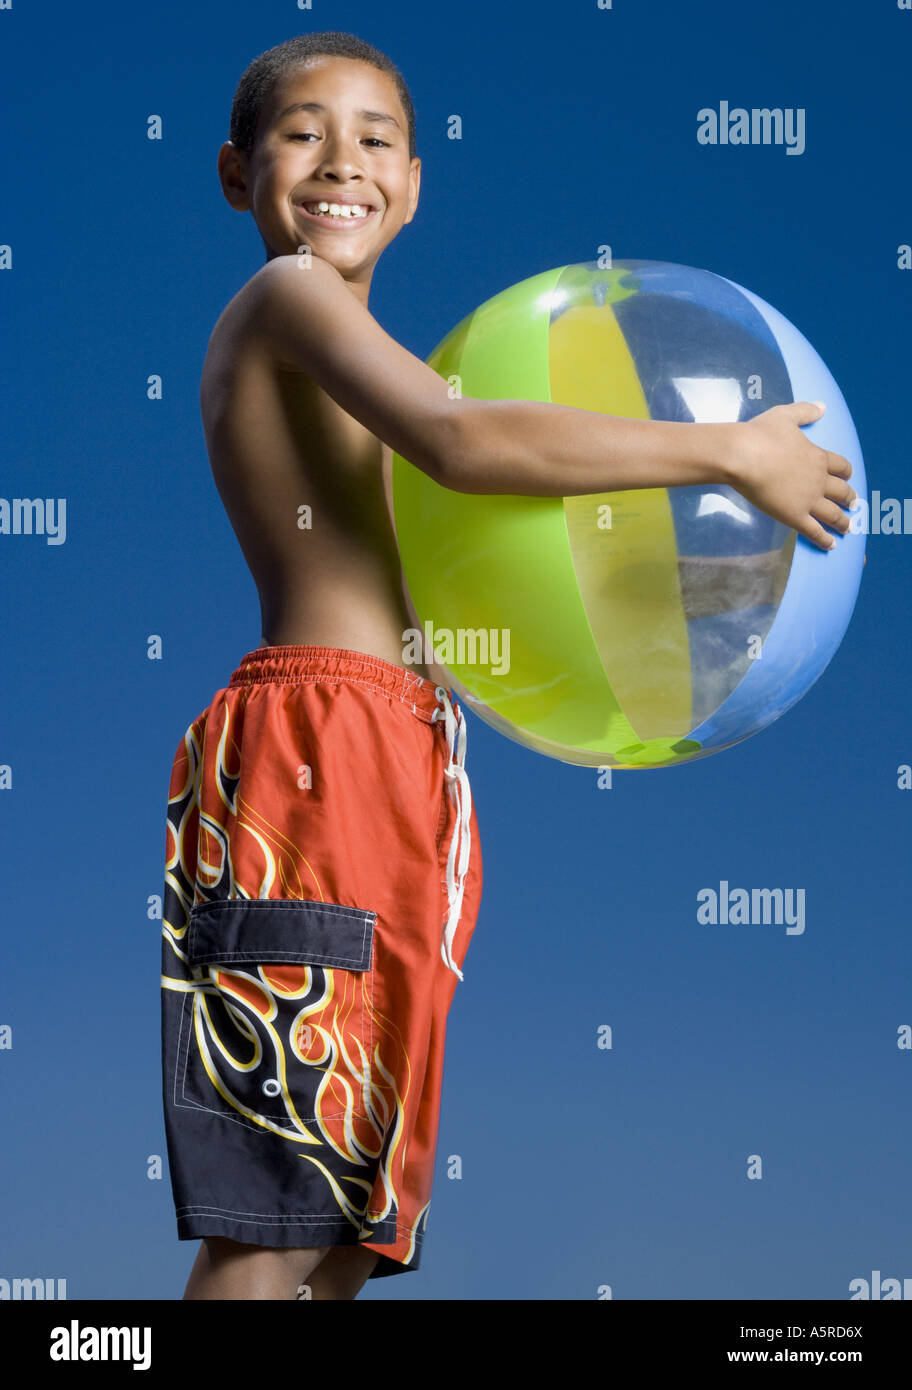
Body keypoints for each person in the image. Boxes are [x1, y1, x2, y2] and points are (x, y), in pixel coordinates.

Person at [161, 30, 857, 1302]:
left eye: (374, 139)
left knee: (346, 1229)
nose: (341, 163)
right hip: (315, 754)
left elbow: (502, 507)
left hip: (401, 766)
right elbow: (462, 441)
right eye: (303, 132)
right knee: (276, 1211)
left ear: (416, 182)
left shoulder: (385, 352)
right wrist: (723, 457)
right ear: (234, 171)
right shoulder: (290, 300)